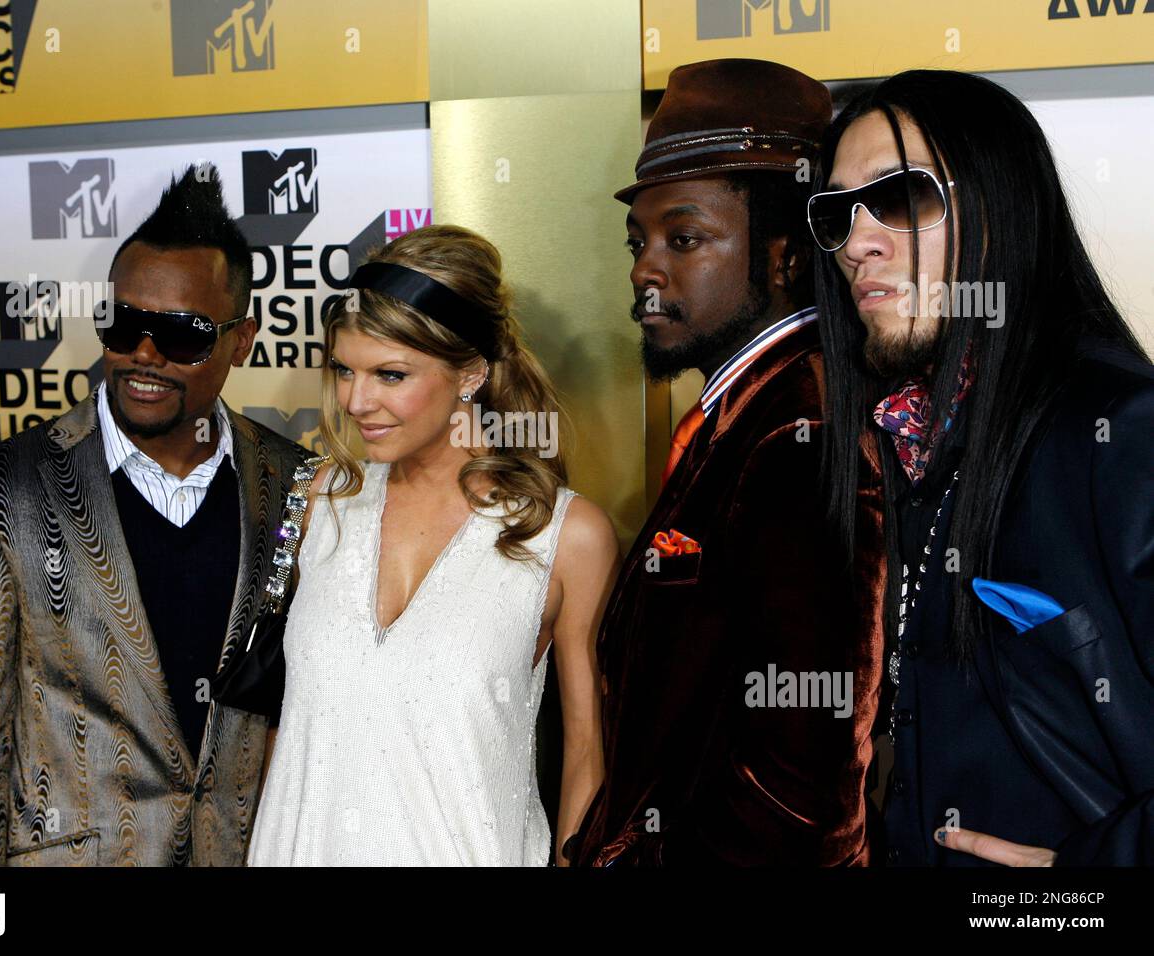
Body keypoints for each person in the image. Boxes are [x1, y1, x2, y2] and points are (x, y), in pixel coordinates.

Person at [0, 166, 312, 865]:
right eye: (122, 324)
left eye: (182, 334)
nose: (144, 354)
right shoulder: (5, 490)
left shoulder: (295, 482)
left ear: (242, 340)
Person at [810, 70, 1154, 865]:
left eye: (901, 196)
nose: (857, 241)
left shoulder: (1121, 432)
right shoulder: (891, 451)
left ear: (1000, 205)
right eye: (837, 212)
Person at [568, 58, 887, 867]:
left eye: (686, 238)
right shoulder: (743, 415)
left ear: (784, 257)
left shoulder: (798, 431)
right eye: (639, 242)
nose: (645, 267)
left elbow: (801, 783)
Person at [246, 224, 619, 866]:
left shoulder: (565, 536)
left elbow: (587, 751)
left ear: (470, 373)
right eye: (343, 370)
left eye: (390, 375)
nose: (357, 402)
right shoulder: (319, 504)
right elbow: (288, 724)